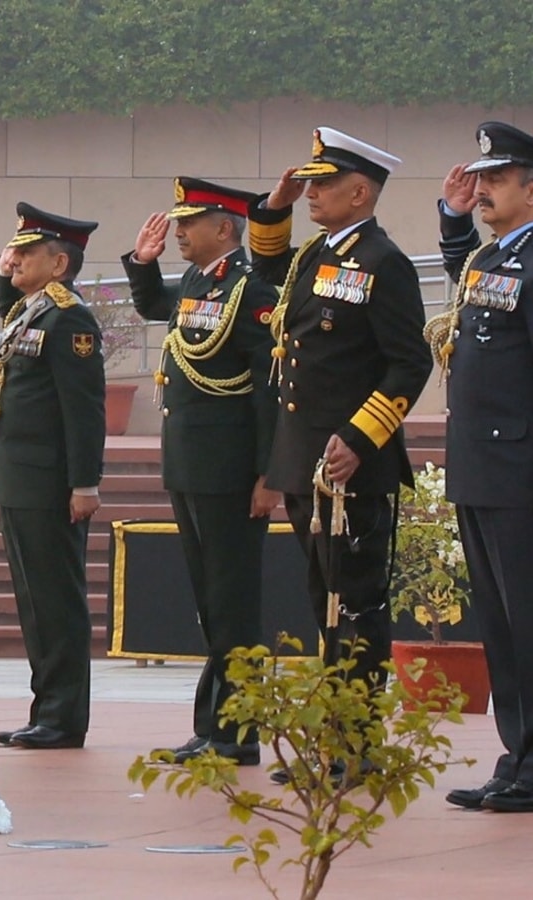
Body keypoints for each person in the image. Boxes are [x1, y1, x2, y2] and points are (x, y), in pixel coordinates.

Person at [248, 128, 432, 783]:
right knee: (322, 601)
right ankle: (330, 739)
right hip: (303, 462)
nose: (311, 194)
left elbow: (410, 363)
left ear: (359, 191)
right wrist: (273, 205)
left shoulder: (383, 262)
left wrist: (357, 439)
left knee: (353, 606)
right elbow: (267, 269)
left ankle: (352, 747)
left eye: (321, 185)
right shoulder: (315, 255)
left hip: (349, 465)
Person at [122, 178, 281, 765]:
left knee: (233, 600)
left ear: (226, 228)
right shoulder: (196, 281)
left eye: (191, 223)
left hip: (232, 470)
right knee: (211, 601)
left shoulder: (252, 290)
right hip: (190, 463)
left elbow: (269, 392)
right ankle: (213, 725)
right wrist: (143, 263)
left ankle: (238, 731)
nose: (180, 232)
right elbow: (154, 306)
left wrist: (269, 475)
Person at [433, 122, 533, 813]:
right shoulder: (498, 257)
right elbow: (469, 284)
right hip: (482, 463)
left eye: (496, 180)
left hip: (519, 468)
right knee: (500, 627)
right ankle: (517, 758)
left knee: (526, 622)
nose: (483, 190)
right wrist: (450, 219)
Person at [0, 203, 106, 750]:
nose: (16, 258)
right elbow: (8, 298)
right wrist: (1, 269)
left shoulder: (68, 317)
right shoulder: (30, 310)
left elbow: (84, 409)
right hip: (19, 479)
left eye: (28, 252)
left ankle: (63, 717)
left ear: (58, 265)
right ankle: (46, 709)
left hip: (50, 482)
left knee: (56, 600)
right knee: (34, 602)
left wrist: (85, 483)